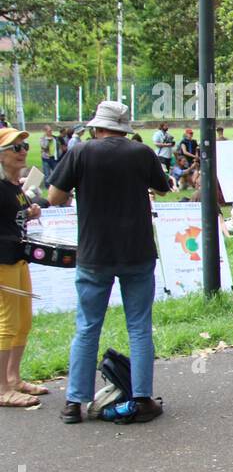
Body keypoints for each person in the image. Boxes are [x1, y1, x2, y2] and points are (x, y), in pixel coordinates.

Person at [47, 101, 170, 424]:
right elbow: (164, 187)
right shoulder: (140, 153)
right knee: (139, 326)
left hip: (94, 253)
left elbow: (54, 198)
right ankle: (142, 397)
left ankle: (74, 402)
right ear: (124, 127)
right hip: (138, 252)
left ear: (96, 126)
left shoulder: (80, 152)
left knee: (87, 326)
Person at [0, 129, 43, 409]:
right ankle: (2, 389)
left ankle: (13, 379)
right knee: (6, 323)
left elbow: (12, 213)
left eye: (24, 145)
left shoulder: (15, 186)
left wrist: (30, 212)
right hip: (2, 258)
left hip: (18, 255)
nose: (23, 151)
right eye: (16, 148)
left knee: (23, 321)